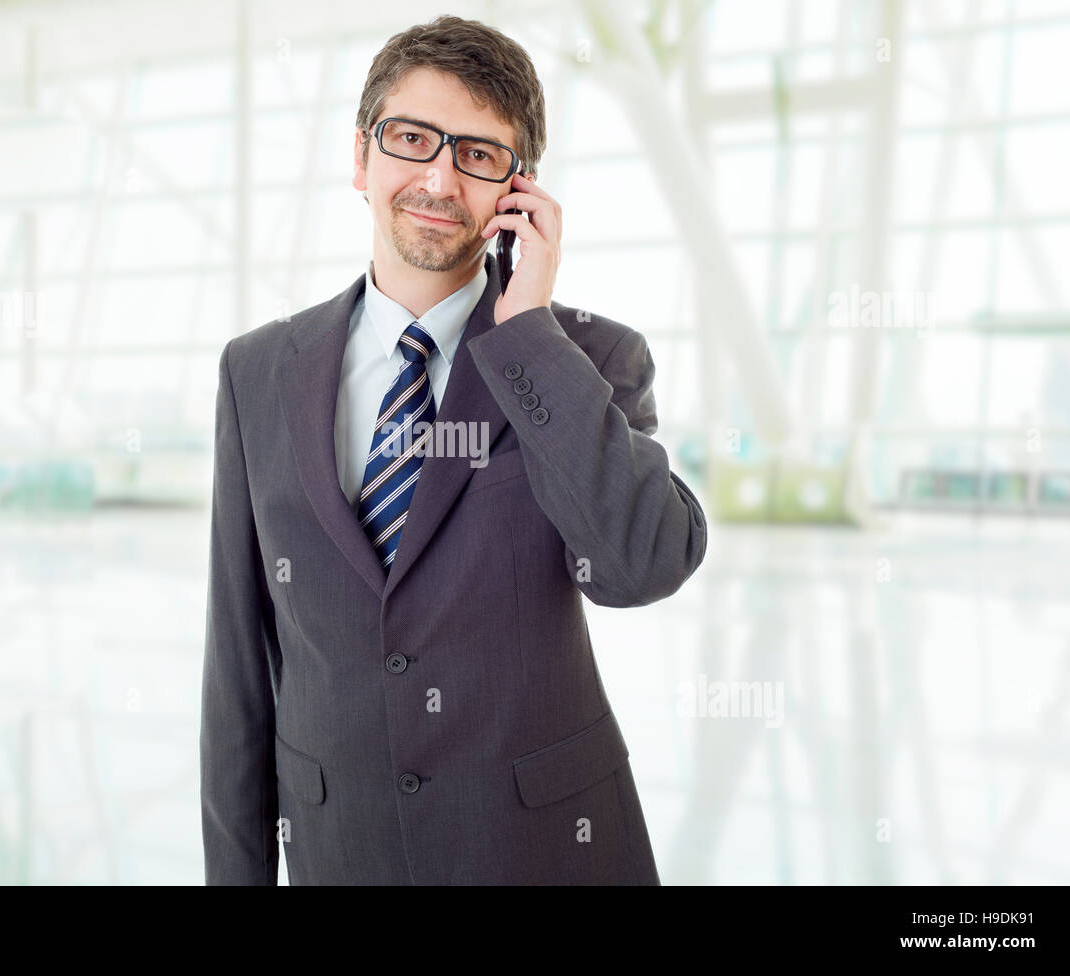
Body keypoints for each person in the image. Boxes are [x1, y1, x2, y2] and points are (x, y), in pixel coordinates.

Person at [201, 14, 707, 885]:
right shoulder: (258, 372)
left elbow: (640, 566)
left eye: (477, 154)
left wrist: (529, 338)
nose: (439, 177)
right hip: (342, 851)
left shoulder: (588, 359)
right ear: (361, 158)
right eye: (411, 140)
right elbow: (239, 665)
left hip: (545, 855)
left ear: (518, 191)